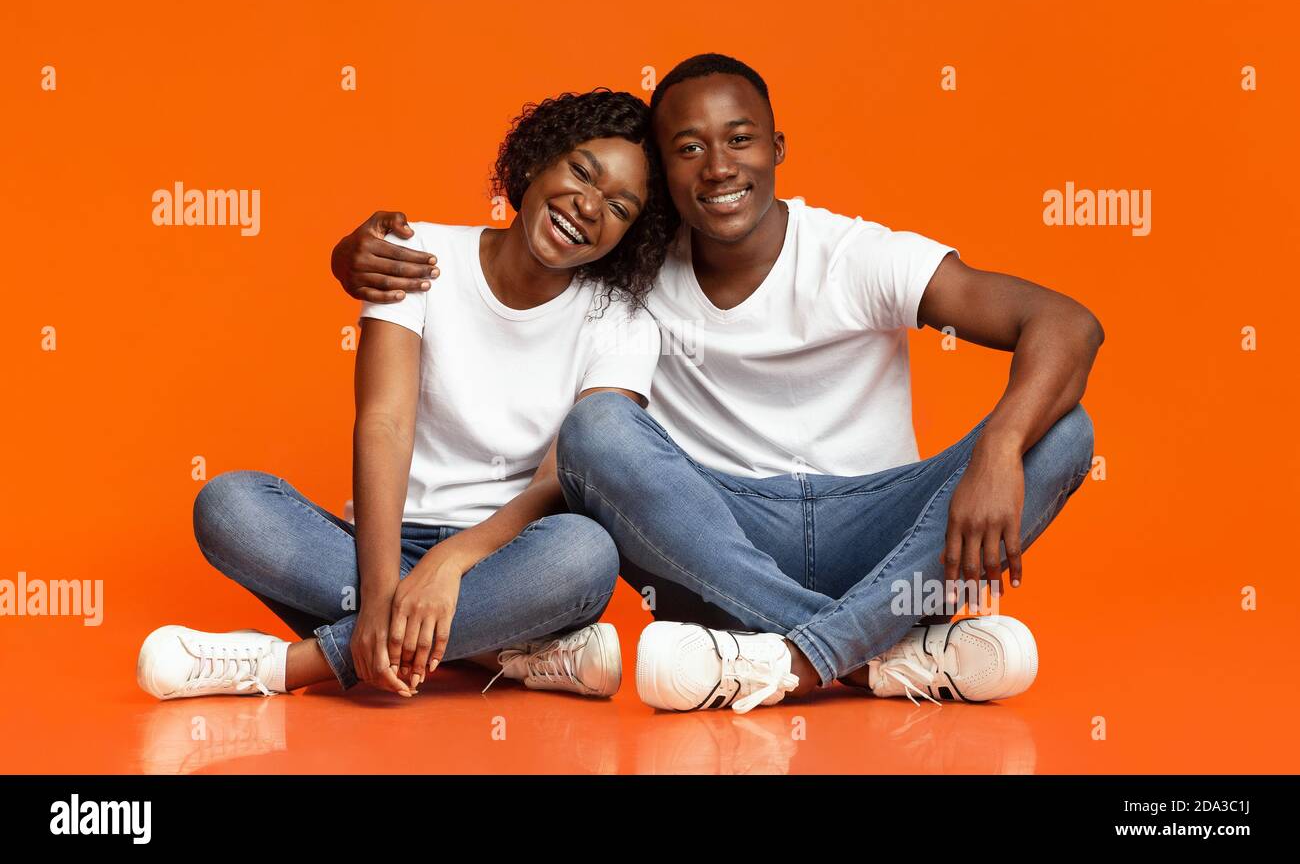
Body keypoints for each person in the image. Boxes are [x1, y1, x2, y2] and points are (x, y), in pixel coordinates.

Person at [331, 54, 1104, 714]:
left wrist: (1001, 445)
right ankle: (874, 657)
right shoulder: (629, 266)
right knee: (596, 434)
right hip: (723, 542)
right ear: (665, 178)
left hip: (879, 533)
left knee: (1064, 432)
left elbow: (1067, 323)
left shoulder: (855, 255)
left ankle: (795, 658)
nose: (720, 167)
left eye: (740, 140)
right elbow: (520, 255)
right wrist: (355, 254)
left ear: (776, 146)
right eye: (689, 149)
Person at [136, 89, 673, 702]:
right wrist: (382, 585)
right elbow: (384, 424)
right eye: (581, 171)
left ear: (629, 234)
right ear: (536, 161)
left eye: (619, 207)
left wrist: (448, 568)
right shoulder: (418, 258)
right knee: (229, 505)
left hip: (507, 553)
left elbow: (560, 483)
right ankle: (503, 654)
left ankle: (286, 666)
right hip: (380, 540)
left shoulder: (625, 324)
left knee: (587, 552)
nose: (588, 205)